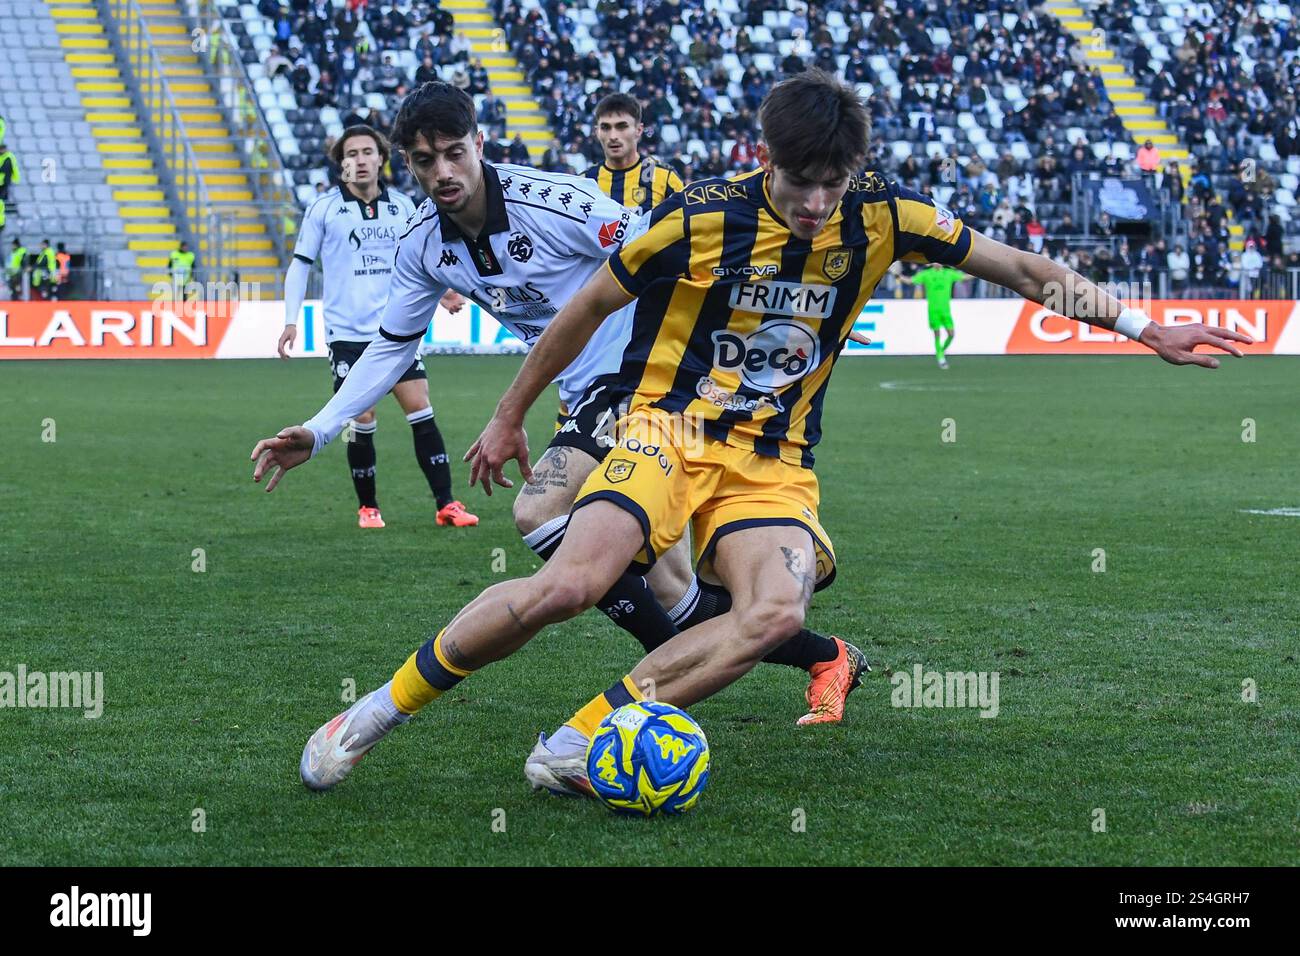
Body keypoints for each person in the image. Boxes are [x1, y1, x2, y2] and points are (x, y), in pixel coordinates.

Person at [263, 69, 1253, 797]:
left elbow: (1026, 270)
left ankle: (576, 741)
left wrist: (1139, 323)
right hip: (665, 430)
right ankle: (372, 712)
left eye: (833, 183)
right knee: (565, 581)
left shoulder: (886, 217)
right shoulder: (698, 219)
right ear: (761, 159)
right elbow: (583, 307)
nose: (818, 203)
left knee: (774, 611)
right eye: (799, 182)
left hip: (772, 464)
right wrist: (515, 407)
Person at [251, 83, 866, 756]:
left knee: (539, 513)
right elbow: (393, 345)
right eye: (425, 162)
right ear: (409, 163)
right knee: (673, 590)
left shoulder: (557, 201)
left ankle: (662, 674)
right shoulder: (424, 244)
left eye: (455, 153)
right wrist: (320, 428)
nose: (443, 173)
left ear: (480, 145)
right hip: (584, 396)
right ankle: (810, 654)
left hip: (645, 385)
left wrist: (790, 316)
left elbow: (662, 247)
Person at [277, 122, 478, 530]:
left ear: (382, 158)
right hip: (347, 335)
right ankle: (368, 508)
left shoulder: (404, 206)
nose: (360, 160)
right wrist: (290, 320)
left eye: (367, 152)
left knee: (420, 408)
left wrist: (444, 292)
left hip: (398, 331)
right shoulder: (323, 209)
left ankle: (447, 504)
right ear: (341, 166)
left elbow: (423, 261)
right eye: (350, 155)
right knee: (361, 416)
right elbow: (301, 266)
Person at [583, 93, 683, 215]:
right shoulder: (585, 182)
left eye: (621, 127)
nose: (613, 136)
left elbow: (686, 227)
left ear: (639, 130)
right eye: (605, 128)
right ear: (597, 132)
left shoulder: (665, 177)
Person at [911, 261, 964, 368]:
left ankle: (941, 351)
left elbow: (965, 277)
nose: (938, 263)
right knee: (937, 334)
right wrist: (898, 277)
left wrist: (984, 273)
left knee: (951, 334)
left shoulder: (948, 273)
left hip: (946, 310)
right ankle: (940, 358)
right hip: (933, 310)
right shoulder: (926, 274)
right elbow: (910, 281)